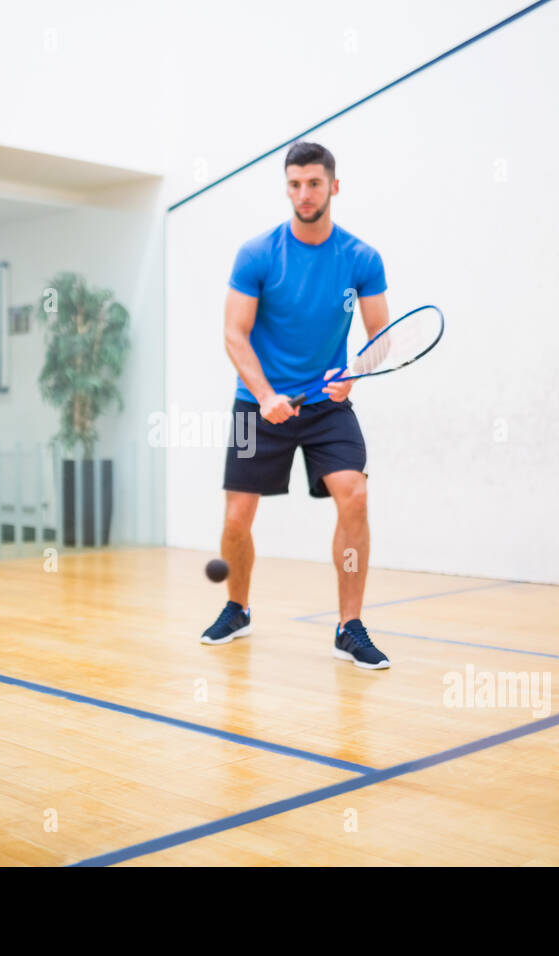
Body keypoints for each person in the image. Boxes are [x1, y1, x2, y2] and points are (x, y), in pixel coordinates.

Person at [201, 141, 392, 670]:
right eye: (294, 184)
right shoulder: (258, 253)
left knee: (354, 496)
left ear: (334, 185)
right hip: (253, 404)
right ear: (286, 187)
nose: (303, 193)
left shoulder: (361, 258)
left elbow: (381, 335)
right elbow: (233, 335)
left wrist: (353, 374)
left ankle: (349, 626)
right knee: (237, 516)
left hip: (328, 404)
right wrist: (264, 397)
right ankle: (236, 608)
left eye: (313, 183)